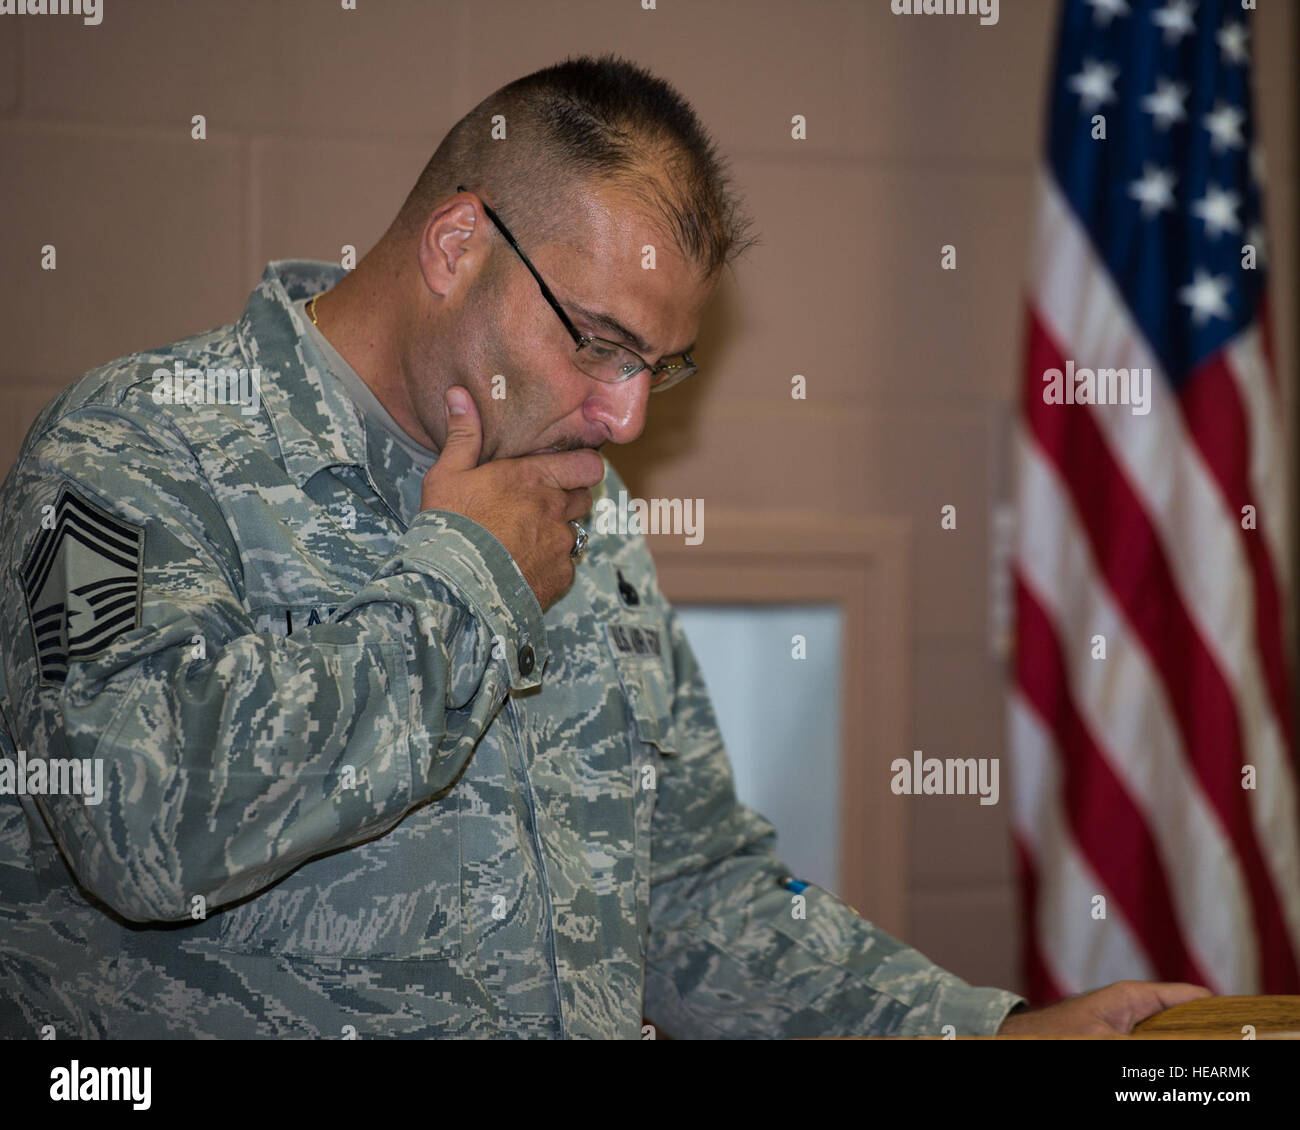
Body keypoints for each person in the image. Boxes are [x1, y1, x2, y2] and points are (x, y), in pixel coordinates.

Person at [0, 53, 1207, 1039]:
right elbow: (129, 822)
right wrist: (465, 588)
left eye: (659, 366)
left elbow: (687, 886)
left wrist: (976, 1033)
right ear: (455, 243)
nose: (625, 416)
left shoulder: (582, 501)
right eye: (596, 340)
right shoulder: (128, 447)